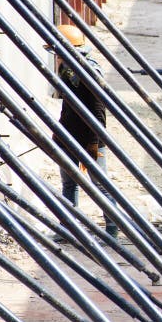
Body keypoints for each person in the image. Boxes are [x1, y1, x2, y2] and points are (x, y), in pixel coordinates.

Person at [48, 25, 118, 241]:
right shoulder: (68, 71)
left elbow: (99, 112)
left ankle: (112, 230)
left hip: (90, 141)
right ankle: (68, 229)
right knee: (69, 184)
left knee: (100, 187)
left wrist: (94, 143)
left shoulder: (89, 73)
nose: (56, 57)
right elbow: (68, 107)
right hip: (69, 138)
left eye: (58, 52)